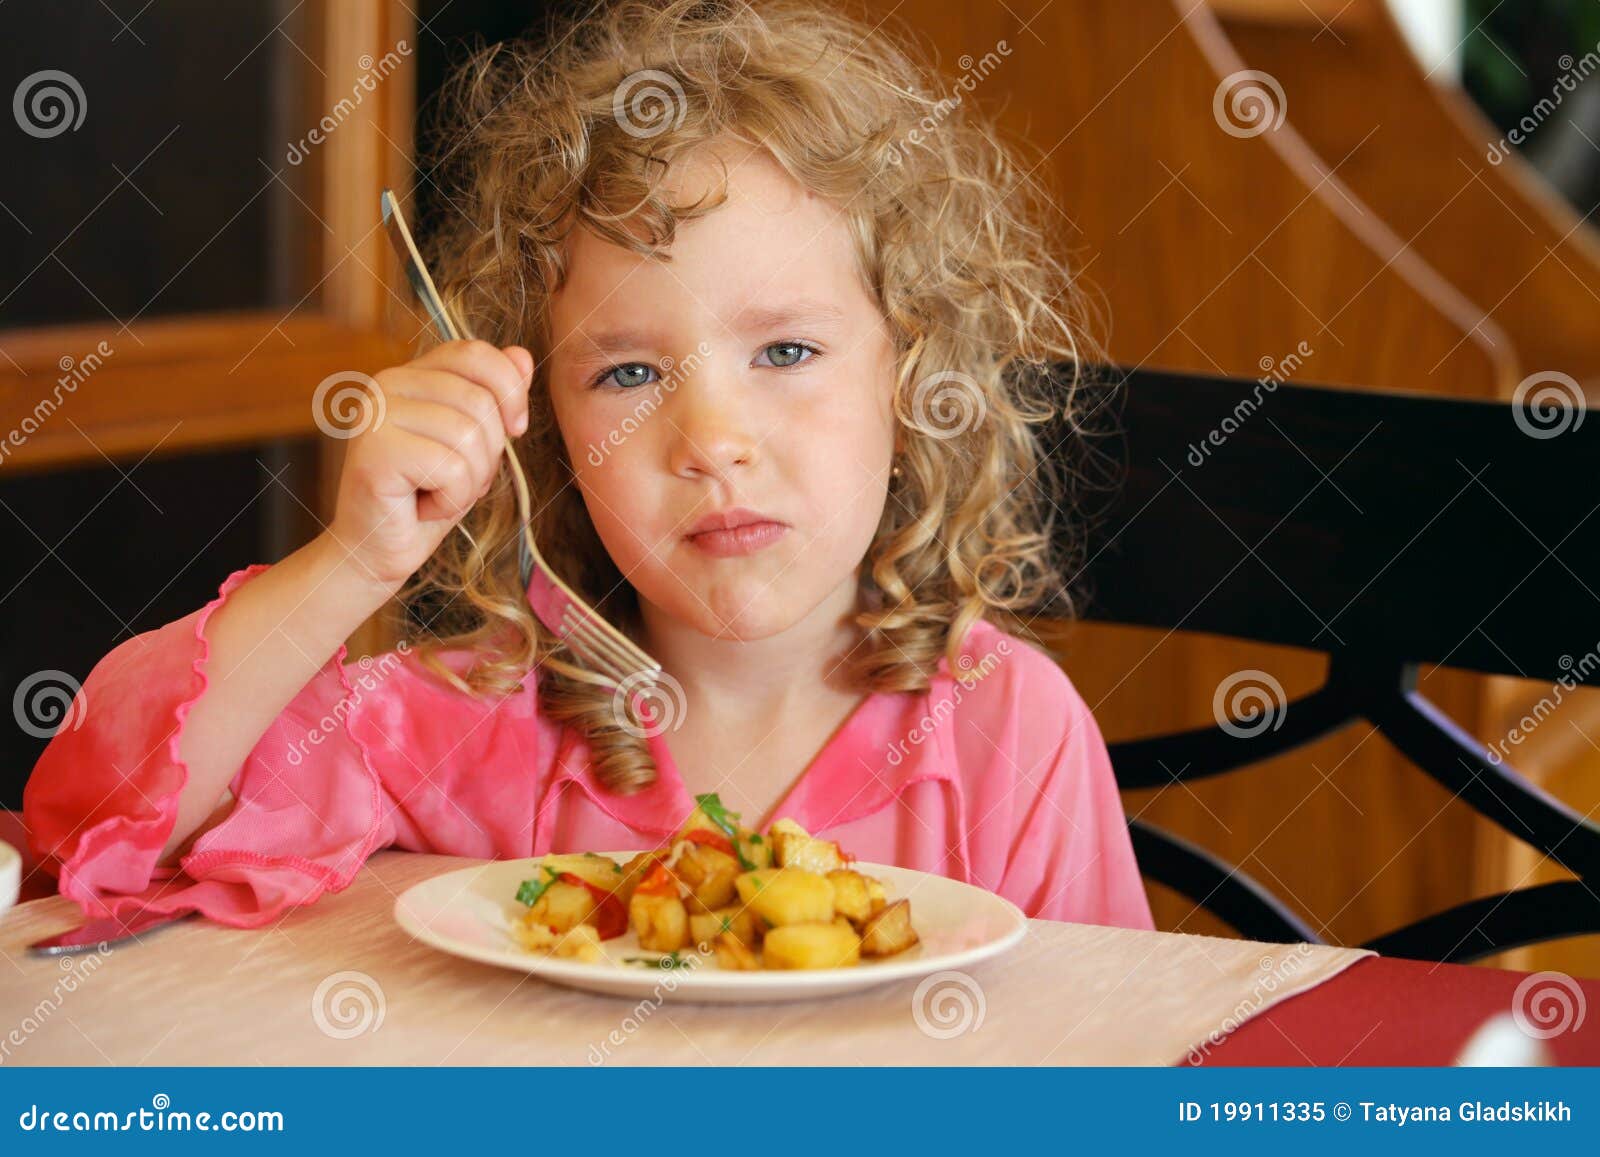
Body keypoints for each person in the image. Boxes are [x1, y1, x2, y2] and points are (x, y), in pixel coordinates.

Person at [23, 0, 1154, 932]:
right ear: (543, 424)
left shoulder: (1006, 729)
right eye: (626, 374)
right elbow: (102, 832)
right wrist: (353, 559)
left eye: (788, 351)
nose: (710, 437)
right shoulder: (468, 721)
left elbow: (1114, 1053)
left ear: (911, 383)